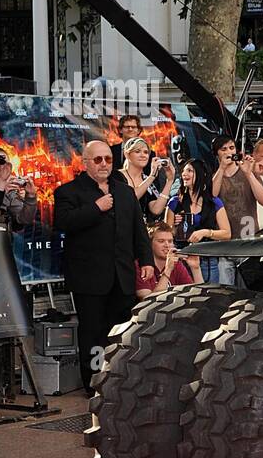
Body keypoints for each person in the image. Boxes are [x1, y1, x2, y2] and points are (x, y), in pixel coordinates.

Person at [54, 140, 154, 394]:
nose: (103, 165)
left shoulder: (125, 191)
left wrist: (147, 262)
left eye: (108, 159)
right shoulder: (69, 191)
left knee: (121, 331)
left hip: (122, 276)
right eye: (97, 160)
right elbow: (63, 222)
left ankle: (119, 379)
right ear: (85, 162)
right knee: (92, 333)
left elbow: (138, 231)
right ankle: (93, 383)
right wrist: (95, 208)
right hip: (90, 278)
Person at [211, 135, 263, 282]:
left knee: (248, 291)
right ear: (217, 153)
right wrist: (222, 168)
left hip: (249, 240)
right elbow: (212, 195)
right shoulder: (215, 176)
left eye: (231, 148)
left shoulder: (248, 171)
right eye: (223, 149)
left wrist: (249, 173)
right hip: (225, 243)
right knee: (225, 292)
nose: (228, 152)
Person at [169, 158, 230, 283]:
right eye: (184, 171)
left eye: (190, 171)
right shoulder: (175, 203)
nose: (184, 174)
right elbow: (167, 235)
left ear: (201, 175)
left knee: (208, 297)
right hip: (182, 259)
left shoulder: (214, 203)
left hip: (207, 259)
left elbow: (227, 233)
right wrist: (175, 227)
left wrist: (205, 232)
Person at [136, 222, 202, 299]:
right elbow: (147, 301)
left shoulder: (177, 264)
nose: (167, 245)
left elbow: (197, 296)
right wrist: (168, 270)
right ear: (149, 244)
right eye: (161, 241)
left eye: (170, 241)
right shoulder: (141, 265)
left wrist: (195, 268)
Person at [117, 136, 173, 226]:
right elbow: (130, 199)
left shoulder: (147, 179)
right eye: (137, 151)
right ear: (126, 154)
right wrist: (151, 176)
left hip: (141, 230)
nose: (143, 155)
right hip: (121, 227)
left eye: (146, 152)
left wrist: (169, 181)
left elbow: (156, 210)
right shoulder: (117, 176)